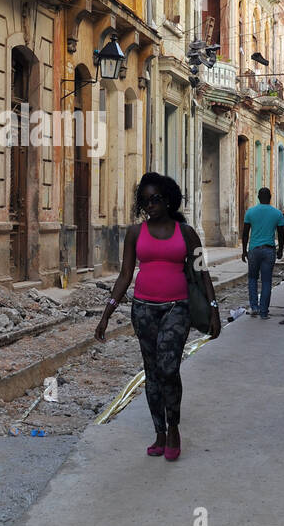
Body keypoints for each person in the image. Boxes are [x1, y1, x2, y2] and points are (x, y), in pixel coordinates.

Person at [94, 173, 221, 461]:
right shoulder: (135, 233)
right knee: (151, 374)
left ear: (168, 199)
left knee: (168, 369)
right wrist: (106, 313)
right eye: (145, 201)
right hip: (143, 310)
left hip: (177, 309)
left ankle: (173, 428)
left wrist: (214, 309)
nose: (150, 206)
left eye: (155, 199)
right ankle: (159, 432)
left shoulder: (187, 233)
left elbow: (202, 272)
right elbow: (125, 275)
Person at [242, 187, 284, 318]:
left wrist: (244, 251)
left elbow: (245, 234)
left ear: (258, 197)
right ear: (270, 197)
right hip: (269, 250)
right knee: (266, 281)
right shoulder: (277, 213)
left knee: (252, 278)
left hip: (254, 250)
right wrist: (281, 250)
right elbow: (281, 235)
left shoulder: (250, 212)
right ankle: (264, 312)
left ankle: (254, 307)